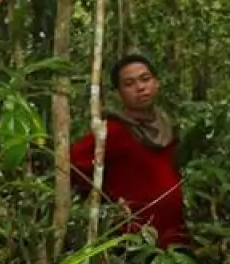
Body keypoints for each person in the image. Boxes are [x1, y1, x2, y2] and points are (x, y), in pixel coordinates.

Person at [68, 53, 189, 249]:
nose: (140, 88)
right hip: (135, 244)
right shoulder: (113, 131)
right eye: (129, 83)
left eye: (145, 79)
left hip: (176, 241)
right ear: (119, 93)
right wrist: (107, 202)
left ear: (156, 83)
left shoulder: (167, 127)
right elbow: (70, 164)